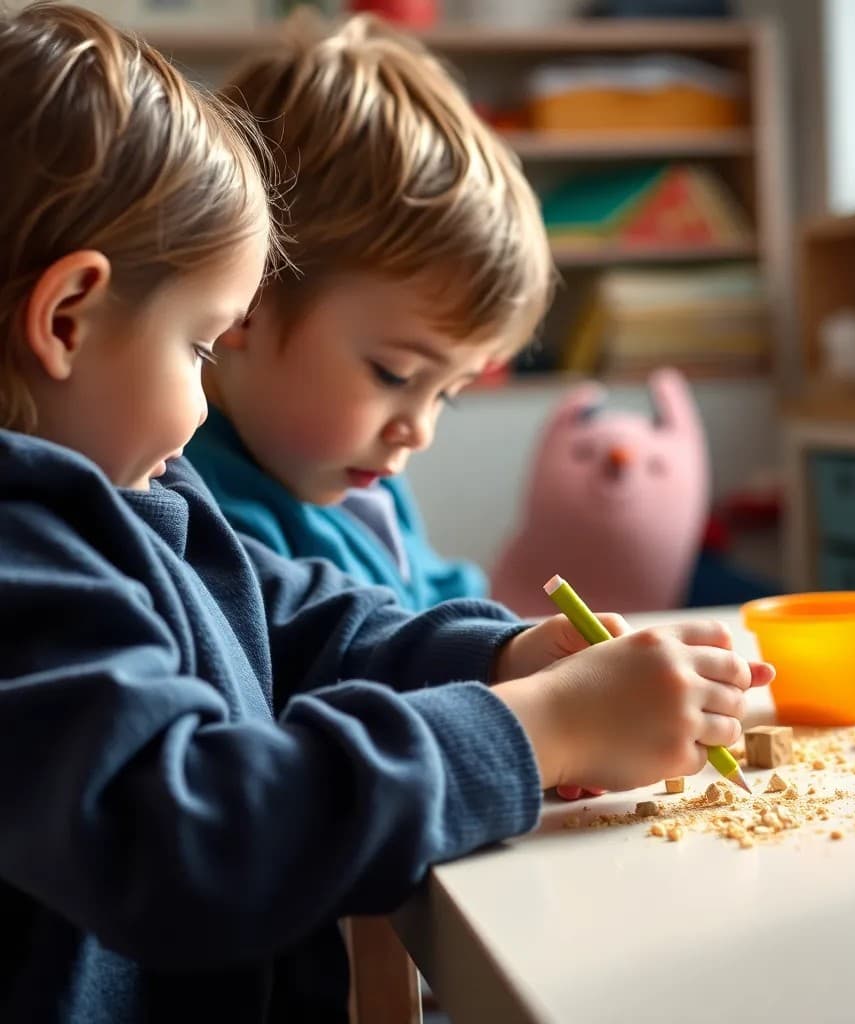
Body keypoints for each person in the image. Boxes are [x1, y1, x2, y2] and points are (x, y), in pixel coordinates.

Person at [0, 5, 772, 1022]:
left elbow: (303, 626)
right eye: (199, 346)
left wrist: (501, 660)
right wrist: (538, 730)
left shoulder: (135, 494)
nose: (201, 401)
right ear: (66, 318)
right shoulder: (25, 557)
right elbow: (190, 832)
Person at [185, 13, 552, 610]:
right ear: (246, 302)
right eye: (395, 375)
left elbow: (440, 595)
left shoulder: (349, 472)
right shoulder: (202, 520)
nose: (420, 431)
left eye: (447, 392)